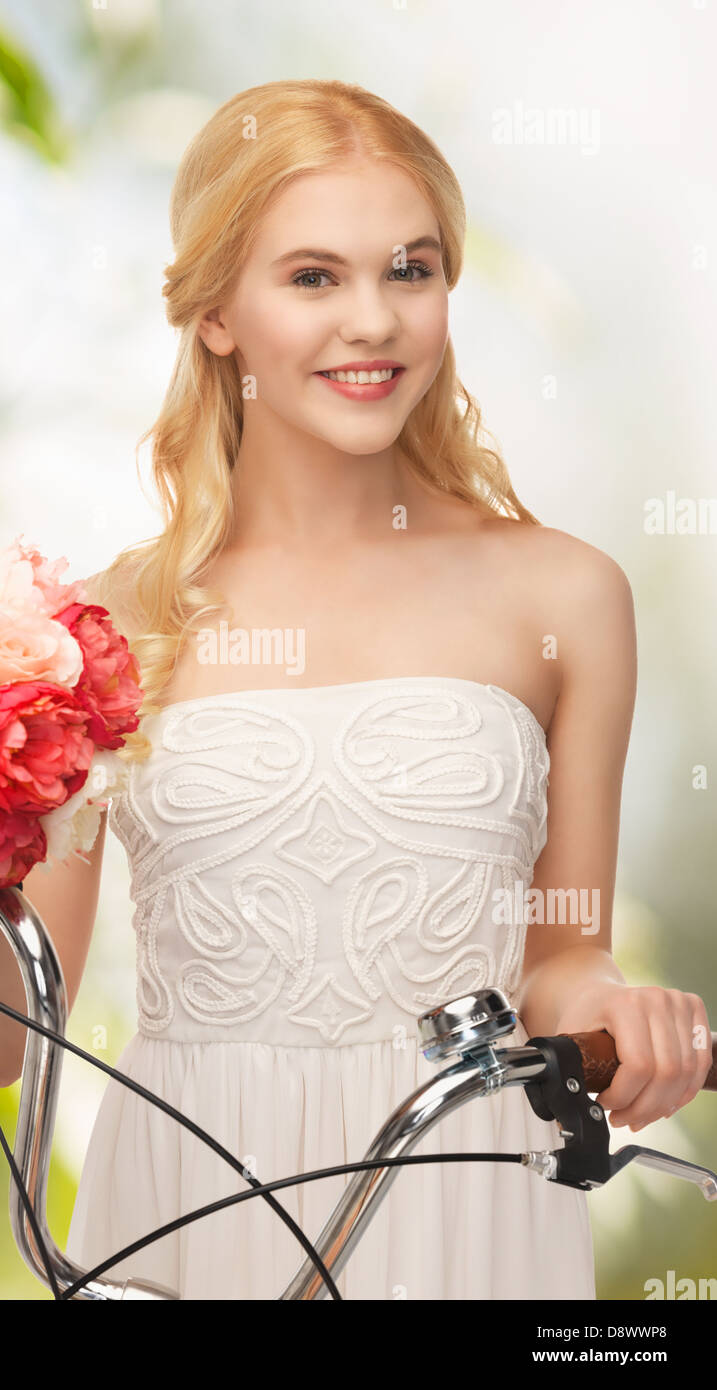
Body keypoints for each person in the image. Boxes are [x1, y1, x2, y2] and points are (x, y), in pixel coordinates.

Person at [45, 79, 710, 1299]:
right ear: (217, 315)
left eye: (410, 270)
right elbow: (3, 1041)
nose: (374, 321)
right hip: (188, 1204)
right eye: (313, 278)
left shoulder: (564, 596)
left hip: (468, 1196)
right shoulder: (97, 626)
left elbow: (565, 955)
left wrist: (627, 1008)